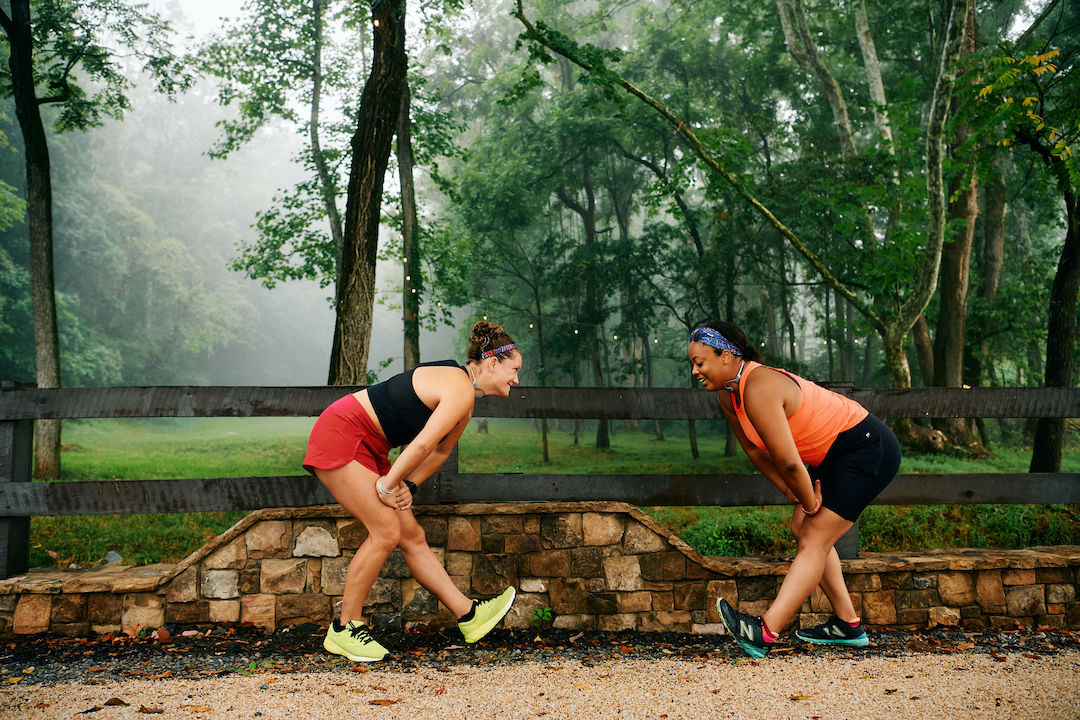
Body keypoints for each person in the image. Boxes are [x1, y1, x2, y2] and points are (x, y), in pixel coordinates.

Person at [303, 320, 522, 662]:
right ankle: (344, 628)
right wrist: (389, 485)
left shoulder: (467, 398)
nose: (517, 379)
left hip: (372, 446)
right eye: (514, 369)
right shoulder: (460, 388)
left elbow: (440, 452)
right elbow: (422, 443)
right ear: (493, 363)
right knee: (386, 530)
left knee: (412, 535)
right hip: (343, 432)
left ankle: (469, 615)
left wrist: (408, 484)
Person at [688, 321, 900, 658]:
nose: (695, 372)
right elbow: (756, 451)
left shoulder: (758, 387)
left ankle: (764, 631)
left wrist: (806, 495)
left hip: (865, 447)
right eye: (692, 365)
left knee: (814, 535)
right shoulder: (731, 396)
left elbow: (789, 462)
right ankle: (848, 624)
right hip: (830, 455)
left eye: (700, 363)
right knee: (803, 528)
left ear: (725, 355)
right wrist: (793, 492)